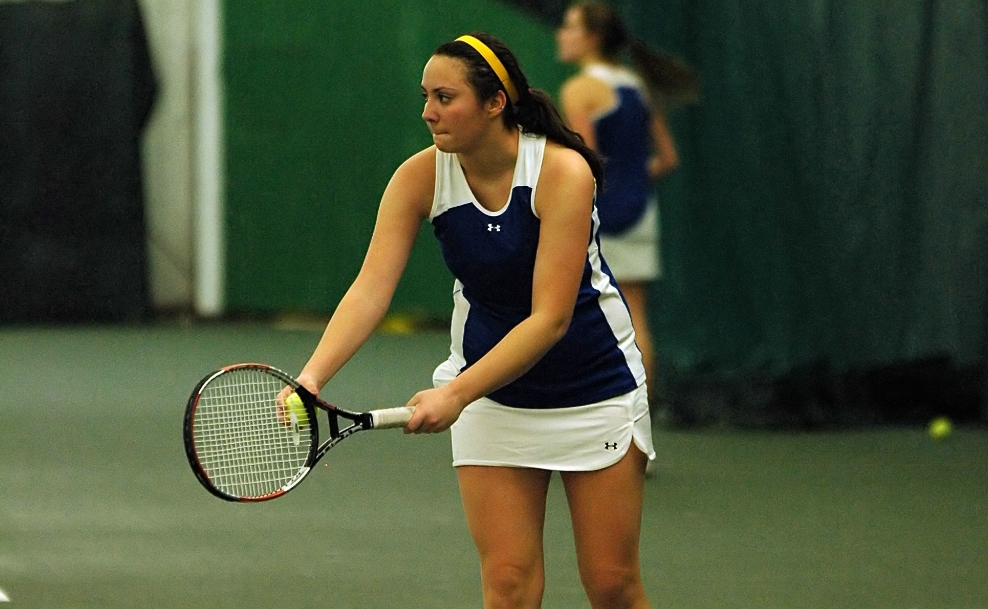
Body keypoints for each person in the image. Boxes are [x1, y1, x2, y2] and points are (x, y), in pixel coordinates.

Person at [289, 32, 654, 609]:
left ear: (494, 103)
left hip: (594, 390)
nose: (428, 112)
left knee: (612, 585)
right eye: (425, 96)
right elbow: (369, 291)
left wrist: (454, 395)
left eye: (444, 97)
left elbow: (550, 319)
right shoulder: (420, 176)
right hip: (492, 399)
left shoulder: (562, 172)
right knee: (507, 587)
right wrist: (311, 380)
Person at [556, 2, 698, 403]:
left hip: (603, 219)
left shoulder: (579, 90)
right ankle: (639, 438)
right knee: (635, 317)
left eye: (569, 27)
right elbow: (666, 158)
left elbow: (585, 164)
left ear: (592, 38)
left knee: (580, 315)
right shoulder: (636, 85)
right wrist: (631, 185)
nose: (561, 35)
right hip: (641, 215)